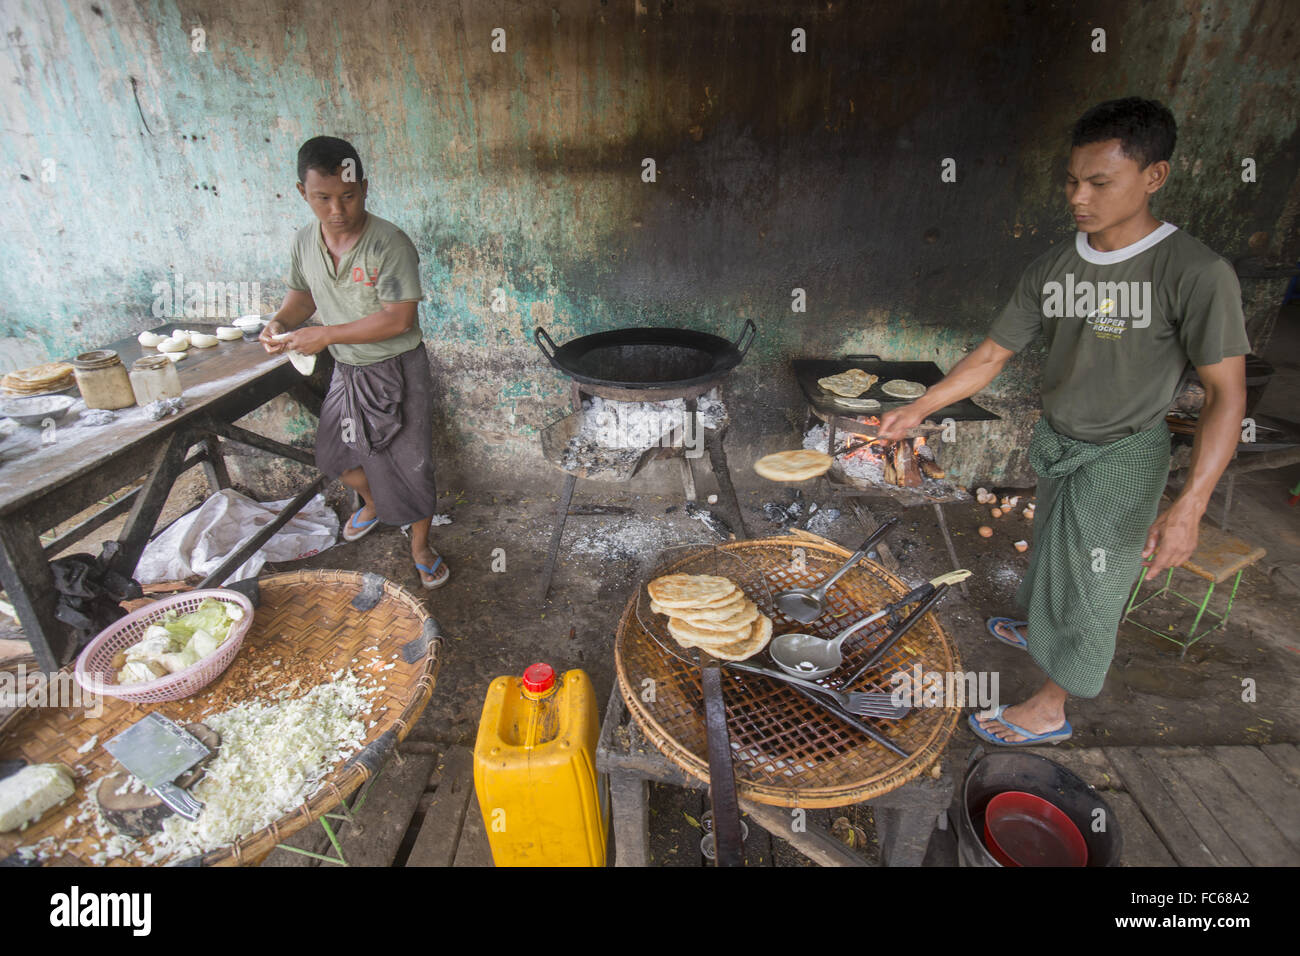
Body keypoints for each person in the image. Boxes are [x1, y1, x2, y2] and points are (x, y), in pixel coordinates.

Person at [878, 98, 1248, 744]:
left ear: (1153, 177)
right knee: (1053, 548)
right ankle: (1041, 629)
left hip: (1124, 456)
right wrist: (918, 409)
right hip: (1060, 443)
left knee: (1094, 586)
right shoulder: (1055, 267)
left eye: (1099, 183)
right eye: (1072, 181)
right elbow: (992, 354)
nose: (1079, 196)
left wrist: (1190, 504)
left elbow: (1227, 394)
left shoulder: (1194, 273)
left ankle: (1050, 708)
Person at [261, 136, 449, 590]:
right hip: (347, 370)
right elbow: (302, 297)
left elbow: (399, 319)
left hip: (398, 370)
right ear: (301, 193)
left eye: (347, 196)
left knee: (410, 467)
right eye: (322, 198)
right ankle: (372, 502)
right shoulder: (305, 242)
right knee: (334, 455)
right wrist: (279, 323)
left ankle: (421, 547)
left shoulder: (389, 244)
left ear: (364, 188)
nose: (337, 210)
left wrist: (324, 335)